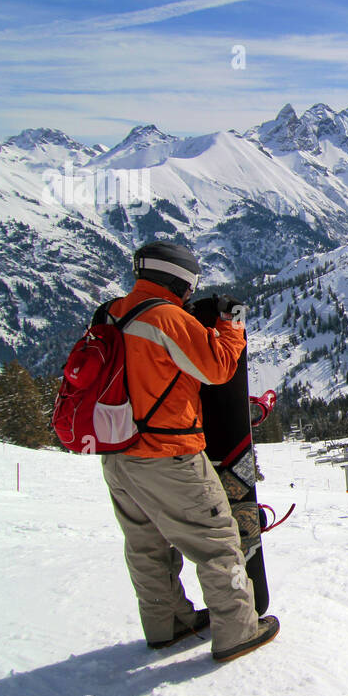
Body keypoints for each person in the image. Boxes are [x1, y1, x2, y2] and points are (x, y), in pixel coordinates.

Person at [99, 241, 279, 663]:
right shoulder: (164, 317)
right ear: (178, 278)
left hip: (118, 457)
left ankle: (168, 623)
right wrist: (232, 328)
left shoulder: (113, 312)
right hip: (169, 454)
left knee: (146, 545)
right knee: (216, 540)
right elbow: (217, 369)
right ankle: (238, 629)